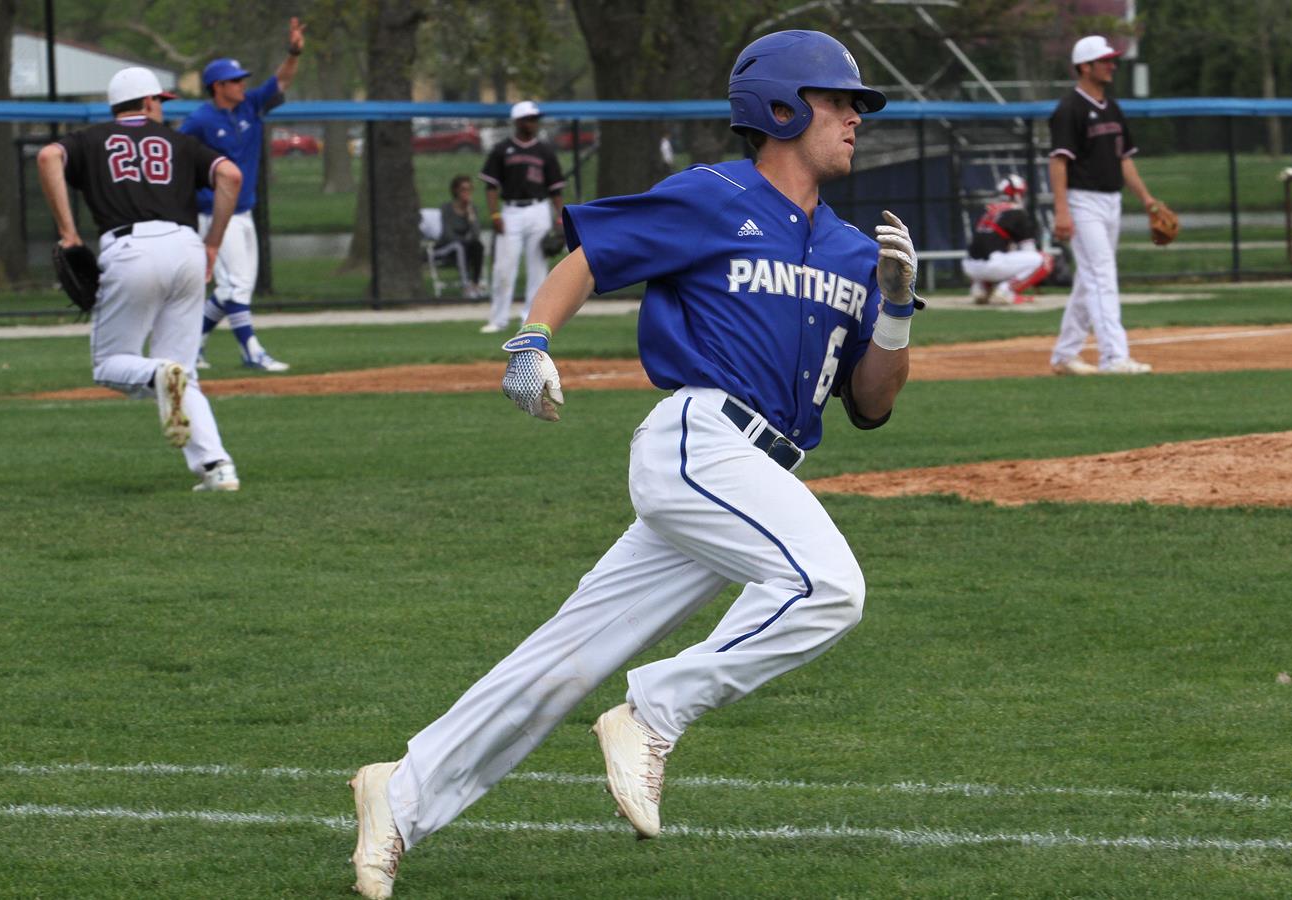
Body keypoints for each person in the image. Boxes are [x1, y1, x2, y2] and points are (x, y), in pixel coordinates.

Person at [347, 29, 919, 899]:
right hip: (701, 441)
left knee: (567, 657)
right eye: (839, 101)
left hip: (763, 473)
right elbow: (589, 262)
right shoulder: (712, 196)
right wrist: (531, 341)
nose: (855, 118)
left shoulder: (850, 249)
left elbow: (872, 404)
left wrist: (897, 308)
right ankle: (655, 712)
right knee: (829, 588)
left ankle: (402, 792)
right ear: (780, 109)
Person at [36, 67, 244, 491]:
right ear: (148, 102)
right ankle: (217, 467)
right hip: (186, 247)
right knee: (183, 372)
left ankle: (159, 374)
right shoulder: (181, 143)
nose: (162, 108)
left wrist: (68, 233)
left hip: (130, 249)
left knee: (112, 364)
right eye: (160, 101)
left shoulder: (91, 139)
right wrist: (213, 244)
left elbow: (47, 157)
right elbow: (230, 176)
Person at [180, 16, 306, 372]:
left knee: (236, 289)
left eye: (242, 79)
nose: (242, 84)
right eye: (235, 80)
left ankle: (191, 347)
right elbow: (177, 157)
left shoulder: (250, 105)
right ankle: (252, 351)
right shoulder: (200, 120)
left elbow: (281, 81)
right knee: (235, 285)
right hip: (215, 214)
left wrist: (293, 53)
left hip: (244, 211)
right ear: (218, 86)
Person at [1047, 34, 1163, 376]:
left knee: (1090, 279)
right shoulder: (1070, 108)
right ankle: (1114, 357)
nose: (1112, 65)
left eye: (1112, 60)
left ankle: (1065, 355)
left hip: (1112, 200)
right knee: (1101, 276)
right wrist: (1062, 211)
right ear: (1085, 66)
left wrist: (1147, 199)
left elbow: (1124, 159)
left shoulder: (1111, 107)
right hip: (1082, 202)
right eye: (1105, 60)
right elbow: (1058, 162)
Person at [479, 100, 566, 333]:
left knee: (538, 269)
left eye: (535, 119)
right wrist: (494, 214)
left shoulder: (545, 151)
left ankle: (530, 319)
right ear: (517, 121)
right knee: (503, 268)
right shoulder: (502, 149)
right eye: (528, 119)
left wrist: (560, 219)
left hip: (538, 209)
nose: (533, 123)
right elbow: (491, 186)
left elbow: (555, 190)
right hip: (511, 211)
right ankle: (498, 319)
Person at [962, 174, 1056, 305]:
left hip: (969, 265)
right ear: (1016, 194)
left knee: (1000, 255)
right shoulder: (1016, 212)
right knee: (1045, 260)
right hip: (992, 264)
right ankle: (1006, 290)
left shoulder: (989, 212)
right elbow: (1029, 250)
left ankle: (980, 288)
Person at [437, 175, 485, 298]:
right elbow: (447, 234)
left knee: (478, 245)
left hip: (465, 247)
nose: (466, 193)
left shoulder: (472, 209)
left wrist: (470, 214)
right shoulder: (446, 208)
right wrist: (465, 241)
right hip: (448, 247)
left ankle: (475, 284)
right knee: (460, 246)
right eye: (463, 189)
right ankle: (466, 286)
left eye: (469, 189)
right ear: (455, 191)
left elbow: (476, 234)